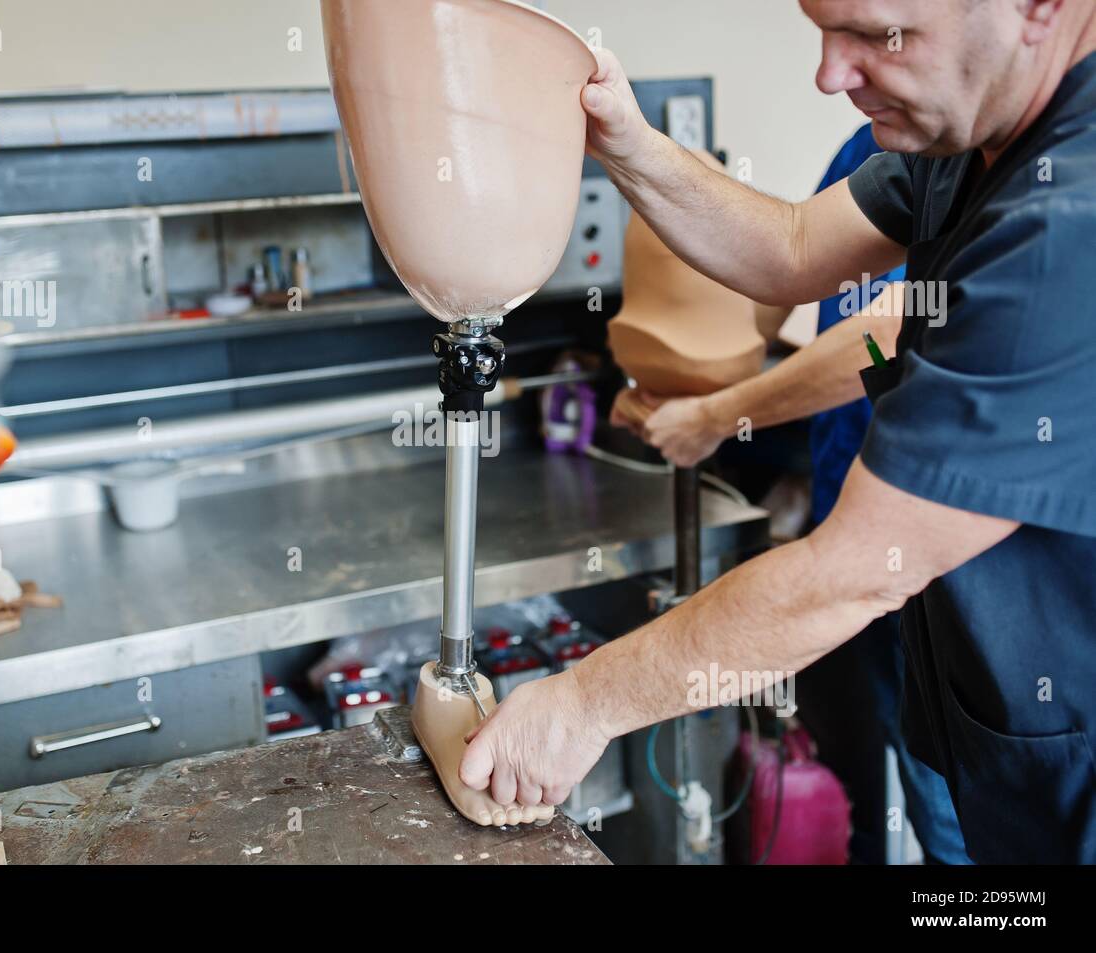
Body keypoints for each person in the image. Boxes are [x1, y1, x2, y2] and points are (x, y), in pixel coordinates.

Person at [459, 0, 1096, 863]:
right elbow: (793, 245)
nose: (829, 75)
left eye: (876, 34)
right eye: (822, 30)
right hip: (1001, 738)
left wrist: (582, 705)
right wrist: (629, 145)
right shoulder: (974, 136)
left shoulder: (1070, 225)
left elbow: (853, 573)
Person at [622, 123, 970, 864]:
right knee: (878, 758)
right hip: (847, 500)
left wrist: (718, 415)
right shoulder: (872, 145)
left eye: (868, 37)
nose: (836, 76)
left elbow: (886, 334)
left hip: (941, 551)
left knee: (955, 815)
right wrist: (667, 382)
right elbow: (782, 271)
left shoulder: (1016, 172)